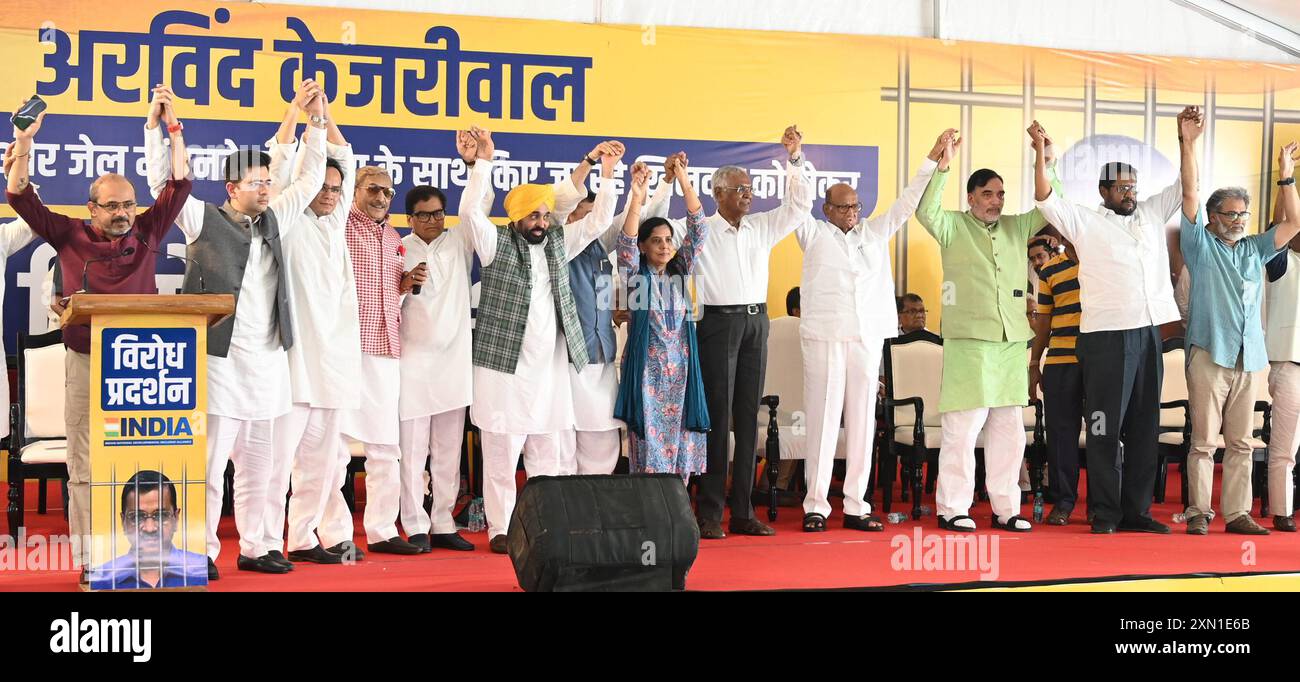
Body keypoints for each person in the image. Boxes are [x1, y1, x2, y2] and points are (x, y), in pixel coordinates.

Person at [6, 88, 192, 584]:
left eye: (129, 205)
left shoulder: (149, 232)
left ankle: (149, 559)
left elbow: (180, 181)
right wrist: (24, 140)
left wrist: (172, 128)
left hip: (142, 368)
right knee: (85, 467)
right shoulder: (68, 234)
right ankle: (94, 561)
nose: (123, 214)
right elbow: (19, 195)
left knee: (143, 467)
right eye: (112, 207)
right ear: (92, 209)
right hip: (88, 360)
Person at [146, 81, 328, 575]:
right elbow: (163, 186)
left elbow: (311, 179)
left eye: (268, 182)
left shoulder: (278, 218)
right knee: (208, 468)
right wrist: (158, 130)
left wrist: (315, 120)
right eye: (256, 183)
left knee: (264, 467)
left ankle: (259, 545)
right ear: (232, 189)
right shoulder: (200, 218)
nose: (267, 189)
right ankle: (200, 552)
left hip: (270, 362)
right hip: (218, 360)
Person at [1032, 109, 1202, 535]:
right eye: (1121, 186)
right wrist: (1040, 154)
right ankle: (1105, 512)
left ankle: (1136, 512)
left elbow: (1188, 186)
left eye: (1132, 185)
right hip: (1105, 339)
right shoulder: (1085, 221)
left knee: (1145, 425)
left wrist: (1187, 142)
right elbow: (1046, 197)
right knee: (1105, 428)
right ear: (1103, 190)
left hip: (1149, 333)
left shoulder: (1149, 212)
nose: (1129, 192)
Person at [456, 127, 621, 554]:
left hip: (549, 372)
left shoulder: (557, 244)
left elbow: (599, 219)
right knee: (501, 453)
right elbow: (472, 214)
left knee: (547, 454)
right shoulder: (494, 244)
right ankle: (501, 528)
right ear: (517, 219)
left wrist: (607, 172)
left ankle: (546, 526)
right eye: (534, 217)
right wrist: (483, 164)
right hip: (504, 371)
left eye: (546, 216)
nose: (542, 223)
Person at [795, 130, 950, 533]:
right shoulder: (810, 233)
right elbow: (796, 204)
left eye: (856, 206)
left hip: (866, 339)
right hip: (826, 337)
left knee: (863, 424)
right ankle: (816, 505)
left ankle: (856, 504)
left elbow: (906, 203)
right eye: (844, 207)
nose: (852, 213)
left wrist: (931, 159)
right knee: (823, 422)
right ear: (827, 208)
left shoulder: (873, 232)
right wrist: (795, 158)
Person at [666, 125, 811, 540]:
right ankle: (710, 513)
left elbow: (800, 206)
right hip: (716, 323)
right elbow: (656, 228)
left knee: (747, 416)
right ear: (718, 194)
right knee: (718, 417)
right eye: (739, 189)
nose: (748, 194)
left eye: (749, 189)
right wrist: (670, 182)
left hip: (754, 323)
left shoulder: (762, 225)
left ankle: (744, 511)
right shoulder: (699, 227)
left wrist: (795, 158)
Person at [915, 126, 1061, 532]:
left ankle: (1006, 508)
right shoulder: (952, 226)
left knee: (1009, 431)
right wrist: (941, 167)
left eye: (999, 194)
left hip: (1012, 342)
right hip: (970, 342)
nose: (995, 201)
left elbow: (1054, 203)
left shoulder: (1018, 226)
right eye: (987, 194)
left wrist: (1045, 157)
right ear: (971, 198)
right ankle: (952, 507)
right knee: (962, 429)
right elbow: (925, 210)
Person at [1181, 144, 1300, 536]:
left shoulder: (1255, 248)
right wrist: (1188, 144)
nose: (1237, 220)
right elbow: (1190, 193)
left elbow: (1294, 221)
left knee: (1242, 443)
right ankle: (1198, 511)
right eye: (1229, 214)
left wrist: (1286, 176)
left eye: (1242, 214)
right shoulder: (1200, 246)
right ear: (1212, 218)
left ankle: (1236, 514)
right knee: (1203, 442)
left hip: (1249, 359)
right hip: (1210, 355)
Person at [262, 93, 361, 565]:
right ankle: (263, 543)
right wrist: (299, 117)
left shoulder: (337, 218)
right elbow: (282, 166)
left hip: (335, 363)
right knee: (279, 463)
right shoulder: (286, 219)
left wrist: (325, 115)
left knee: (324, 465)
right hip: (294, 362)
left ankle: (302, 537)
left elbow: (346, 158)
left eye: (335, 187)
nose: (328, 191)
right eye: (320, 183)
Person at [614, 155, 710, 482]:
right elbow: (623, 243)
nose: (665, 246)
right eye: (656, 240)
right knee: (650, 447)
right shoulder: (636, 276)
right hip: (647, 376)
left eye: (668, 240)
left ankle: (678, 515)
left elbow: (699, 228)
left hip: (683, 374)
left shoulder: (680, 273)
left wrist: (683, 178)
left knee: (682, 442)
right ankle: (652, 514)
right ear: (643, 247)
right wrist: (637, 199)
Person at [396, 182, 476, 553]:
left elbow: (478, 203)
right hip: (411, 364)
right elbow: (383, 301)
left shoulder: (460, 241)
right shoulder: (396, 248)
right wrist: (403, 284)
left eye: (439, 213)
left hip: (453, 363)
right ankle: (413, 523)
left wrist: (477, 167)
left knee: (448, 451)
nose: (433, 220)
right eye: (424, 215)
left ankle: (443, 521)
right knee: (411, 451)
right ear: (410, 218)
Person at [1028, 228, 1086, 525]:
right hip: (1061, 363)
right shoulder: (1049, 270)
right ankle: (1063, 502)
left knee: (1104, 436)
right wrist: (1034, 363)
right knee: (1061, 437)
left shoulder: (1102, 263)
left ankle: (1102, 505)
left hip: (1101, 364)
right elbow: (1044, 323)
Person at [89, 470, 208, 590]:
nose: (150, 528)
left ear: (176, 518)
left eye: (161, 515)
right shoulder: (104, 575)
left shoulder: (198, 568)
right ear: (123, 522)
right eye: (137, 517)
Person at [1265, 179, 1300, 532]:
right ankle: (1282, 510)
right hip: (1290, 366)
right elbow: (1276, 227)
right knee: (1285, 446)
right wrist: (1284, 180)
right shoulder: (1281, 261)